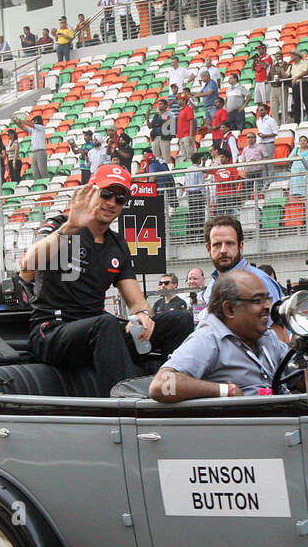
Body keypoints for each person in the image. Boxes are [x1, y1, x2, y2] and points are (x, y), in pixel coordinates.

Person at [18, 166, 194, 398]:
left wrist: (142, 314)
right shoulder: (61, 225)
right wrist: (70, 227)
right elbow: (28, 263)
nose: (112, 202)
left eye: (120, 198)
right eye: (106, 194)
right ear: (91, 192)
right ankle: (132, 404)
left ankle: (174, 387)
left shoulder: (117, 244)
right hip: (52, 332)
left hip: (97, 333)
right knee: (105, 323)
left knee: (178, 319)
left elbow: (137, 301)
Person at [150, 269, 290, 402]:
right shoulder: (208, 339)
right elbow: (161, 384)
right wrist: (225, 390)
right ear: (229, 309)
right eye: (257, 300)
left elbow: (299, 375)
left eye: (267, 299)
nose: (267, 306)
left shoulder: (267, 336)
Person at [200, 214, 283, 314]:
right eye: (217, 245)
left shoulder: (261, 282)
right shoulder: (211, 288)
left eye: (229, 243)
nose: (223, 250)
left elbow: (276, 328)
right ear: (208, 249)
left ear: (241, 246)